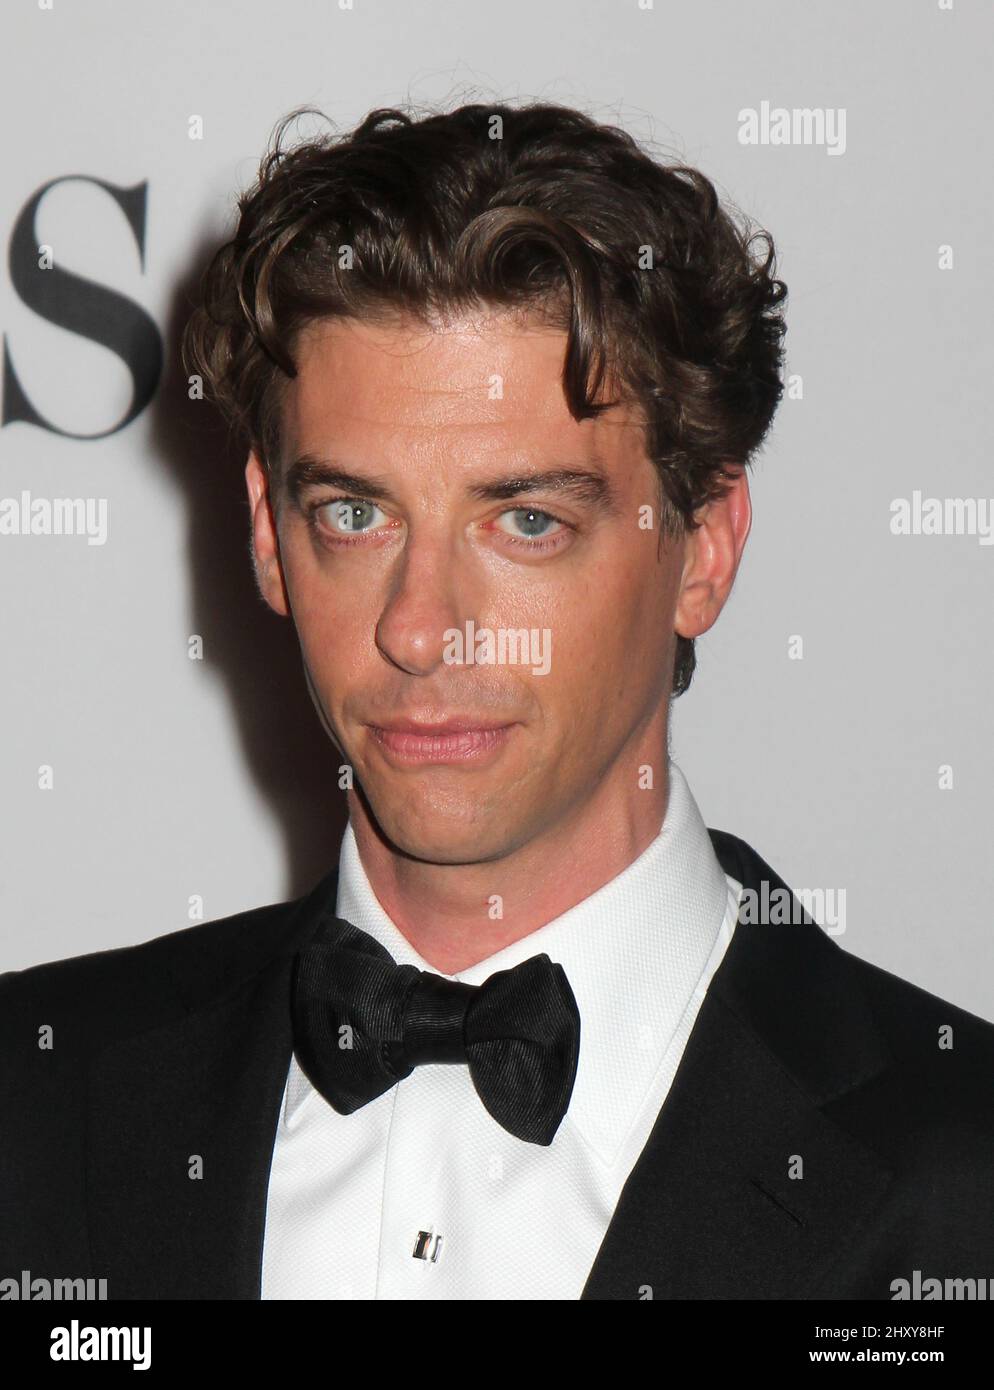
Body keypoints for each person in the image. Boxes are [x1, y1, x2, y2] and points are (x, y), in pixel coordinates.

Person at [3, 100, 993, 1302]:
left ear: (703, 548)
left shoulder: (958, 1173)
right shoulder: (37, 1104)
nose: (419, 627)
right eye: (354, 515)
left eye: (526, 521)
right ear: (268, 532)